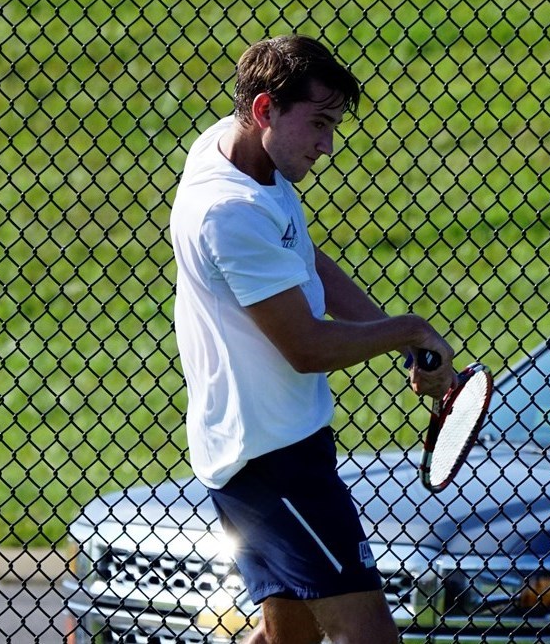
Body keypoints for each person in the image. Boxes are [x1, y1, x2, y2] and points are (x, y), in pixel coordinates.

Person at [169, 35, 456, 644]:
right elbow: (305, 348)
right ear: (266, 109)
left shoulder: (235, 151)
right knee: (369, 634)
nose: (327, 146)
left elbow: (303, 259)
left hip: (263, 446)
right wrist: (407, 328)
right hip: (273, 460)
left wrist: (409, 347)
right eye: (318, 124)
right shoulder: (231, 210)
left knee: (288, 637)